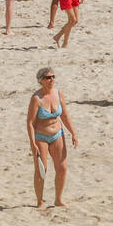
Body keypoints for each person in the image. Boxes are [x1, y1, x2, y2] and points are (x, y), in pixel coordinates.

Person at [27, 67, 77, 209]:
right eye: (48, 78)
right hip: (40, 136)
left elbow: (65, 116)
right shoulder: (36, 99)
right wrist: (33, 143)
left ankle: (58, 200)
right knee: (41, 170)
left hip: (57, 134)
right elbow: (30, 123)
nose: (52, 80)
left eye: (53, 77)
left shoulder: (58, 93)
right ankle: (40, 201)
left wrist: (73, 132)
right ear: (41, 81)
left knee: (62, 168)